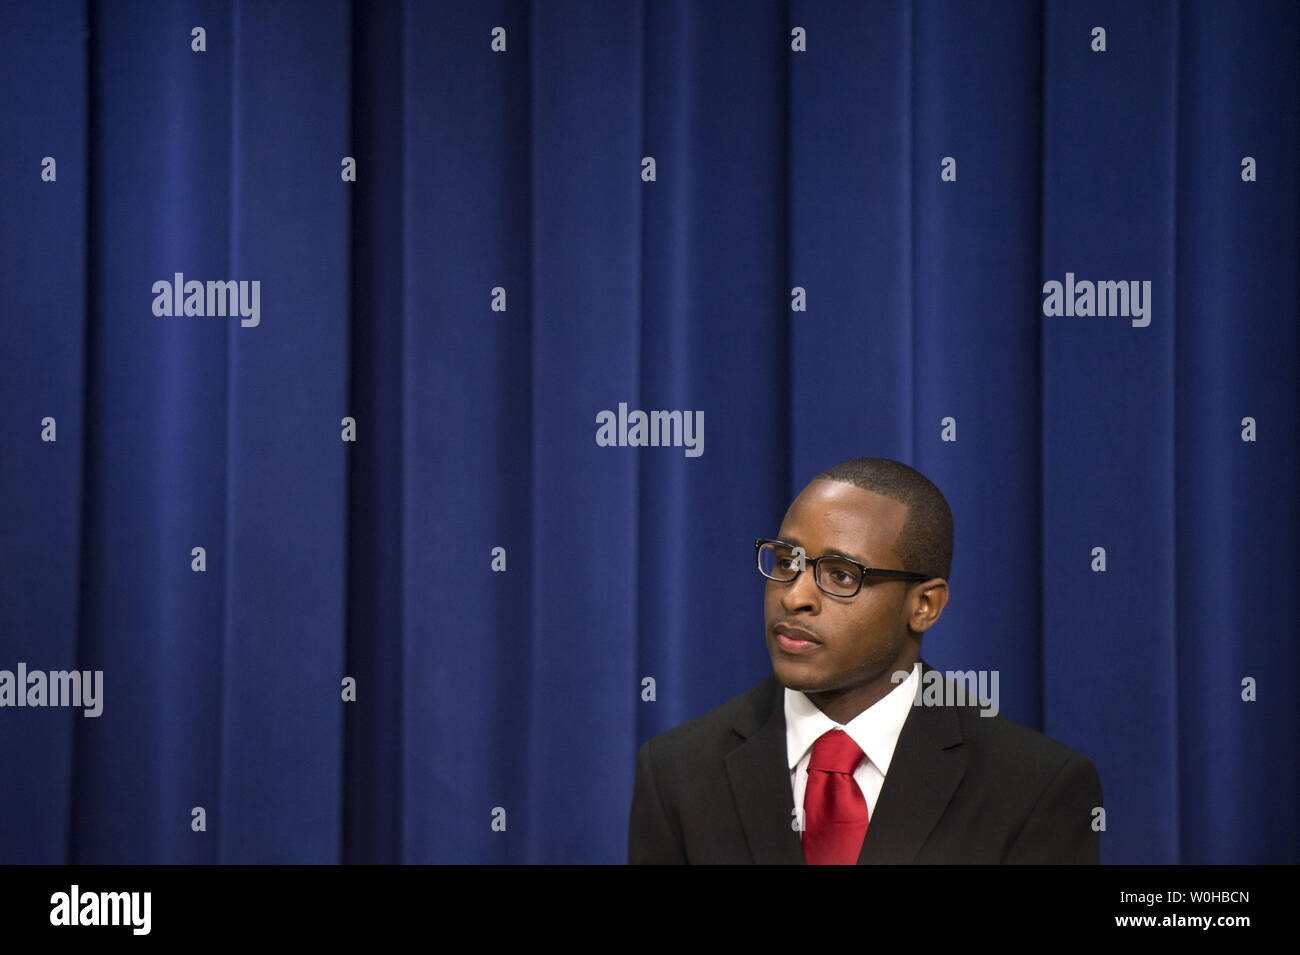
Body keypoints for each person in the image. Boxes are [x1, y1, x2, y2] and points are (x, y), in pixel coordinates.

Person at [628, 457, 1102, 864]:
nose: (795, 597)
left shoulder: (1034, 787)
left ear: (925, 606)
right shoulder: (678, 771)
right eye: (787, 562)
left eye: (841, 574)